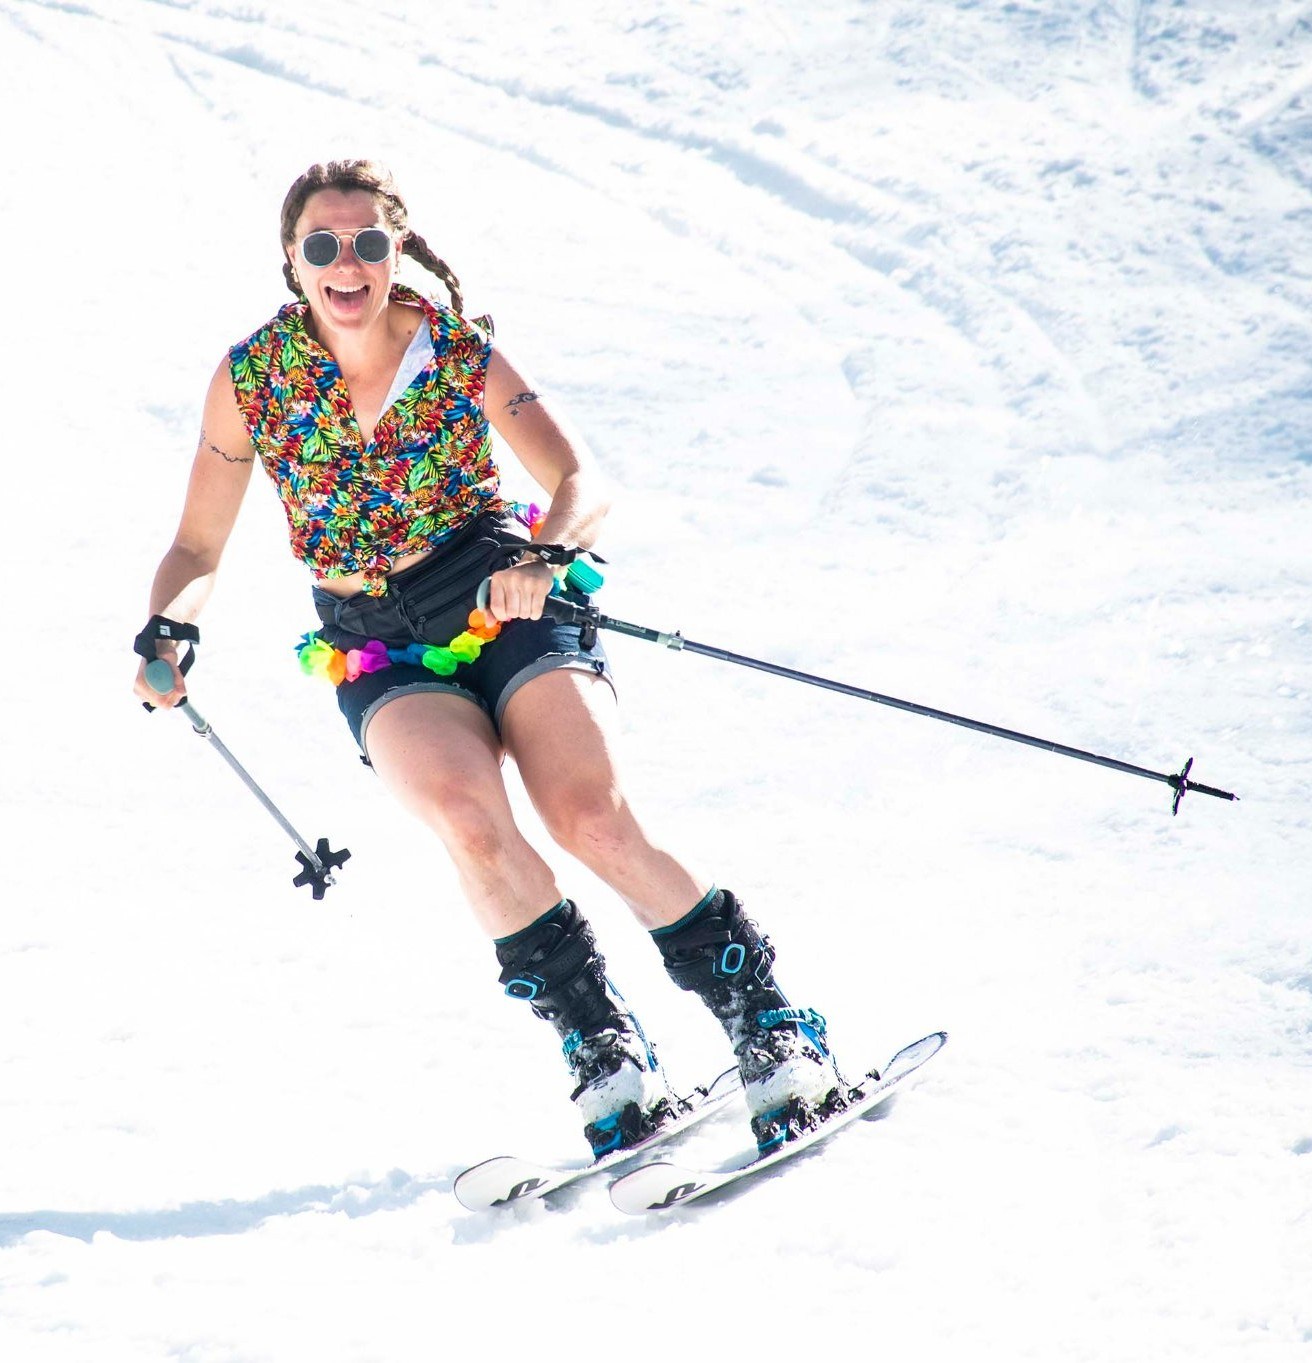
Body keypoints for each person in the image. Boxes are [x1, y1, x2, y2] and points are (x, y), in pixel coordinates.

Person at [134, 158, 845, 1157]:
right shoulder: (250, 378)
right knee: (469, 823)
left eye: (367, 243)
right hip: (373, 640)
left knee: (588, 818)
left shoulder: (452, 350)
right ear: (292, 261)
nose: (348, 264)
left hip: (499, 598)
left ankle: (767, 1019)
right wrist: (171, 627)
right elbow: (197, 547)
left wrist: (546, 552)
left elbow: (577, 478)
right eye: (323, 246)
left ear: (395, 251)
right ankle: (604, 1047)